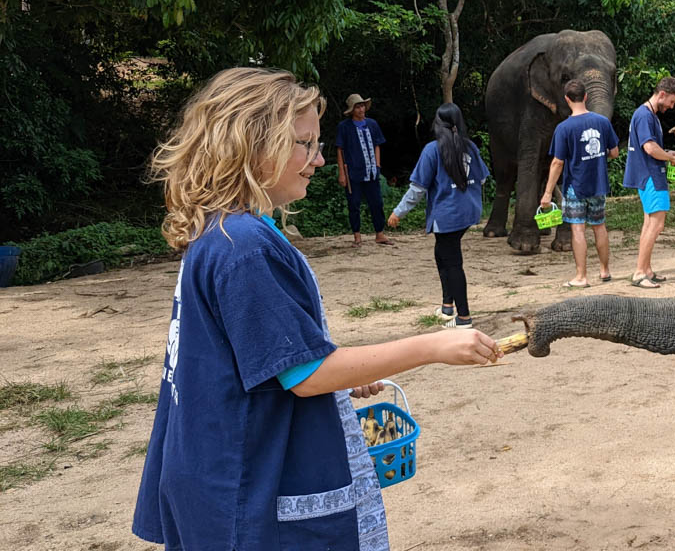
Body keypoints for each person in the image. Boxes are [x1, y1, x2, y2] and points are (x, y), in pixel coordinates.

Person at [134, 68, 502, 551]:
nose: (320, 160)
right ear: (254, 147)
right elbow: (305, 375)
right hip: (251, 497)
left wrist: (340, 375)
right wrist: (432, 345)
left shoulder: (221, 231)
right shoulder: (245, 248)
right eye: (305, 144)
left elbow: (265, 360)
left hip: (213, 478)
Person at [387, 103, 489, 329]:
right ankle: (447, 306)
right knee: (442, 253)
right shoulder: (470, 147)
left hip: (448, 215)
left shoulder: (432, 150)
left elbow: (418, 189)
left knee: (452, 263)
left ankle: (463, 318)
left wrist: (398, 212)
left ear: (437, 124)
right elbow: (482, 179)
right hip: (468, 212)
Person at [541, 79, 620, 288]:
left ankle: (581, 276)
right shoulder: (602, 122)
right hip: (598, 184)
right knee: (599, 227)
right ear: (586, 96)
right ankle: (605, 271)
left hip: (575, 187)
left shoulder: (563, 128)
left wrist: (548, 193)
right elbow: (614, 152)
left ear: (567, 99)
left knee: (578, 230)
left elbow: (558, 162)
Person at [622, 76, 675, 289]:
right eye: (672, 101)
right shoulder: (644, 116)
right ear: (662, 94)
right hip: (650, 176)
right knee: (656, 224)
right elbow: (649, 148)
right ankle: (640, 273)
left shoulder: (649, 116)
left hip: (649, 173)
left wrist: (668, 153)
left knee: (650, 223)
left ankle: (646, 269)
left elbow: (650, 148)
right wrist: (670, 158)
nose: (672, 106)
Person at [335, 93, 393, 247]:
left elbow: (377, 145)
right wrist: (342, 173)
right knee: (354, 204)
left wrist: (378, 165)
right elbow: (340, 150)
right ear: (352, 110)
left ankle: (379, 234)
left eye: (362, 106)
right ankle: (357, 236)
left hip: (372, 171)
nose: (361, 109)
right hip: (353, 172)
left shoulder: (372, 124)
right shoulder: (344, 127)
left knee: (377, 203)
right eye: (357, 107)